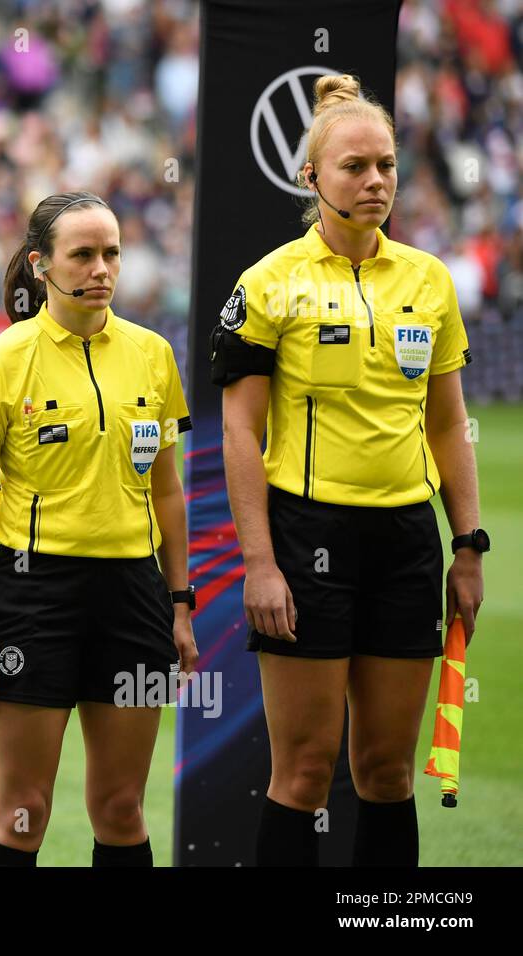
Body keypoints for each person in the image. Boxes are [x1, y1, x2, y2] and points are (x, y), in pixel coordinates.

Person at [211, 75, 486, 866]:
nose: (375, 182)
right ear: (311, 179)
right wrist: (259, 564)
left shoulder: (429, 282)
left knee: (388, 772)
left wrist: (467, 544)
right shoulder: (267, 284)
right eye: (354, 167)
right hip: (306, 540)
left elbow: (447, 425)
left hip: (405, 540)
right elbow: (240, 431)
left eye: (387, 166)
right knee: (301, 772)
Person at [0, 191, 198, 867]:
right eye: (82, 254)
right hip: (34, 597)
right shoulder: (1, 362)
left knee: (121, 810)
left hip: (134, 597)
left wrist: (179, 604)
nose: (101, 269)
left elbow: (169, 491)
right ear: (40, 264)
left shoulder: (152, 355)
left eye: (111, 252)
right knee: (23, 811)